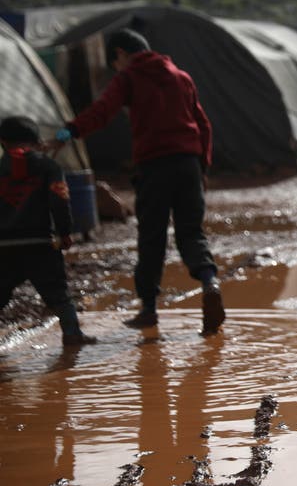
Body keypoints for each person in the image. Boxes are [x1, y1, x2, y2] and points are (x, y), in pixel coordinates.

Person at [54, 28, 224, 335]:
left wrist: (69, 132)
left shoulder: (129, 78)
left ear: (120, 54)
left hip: (154, 167)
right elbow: (203, 125)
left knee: (151, 237)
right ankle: (210, 281)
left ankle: (148, 309)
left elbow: (102, 111)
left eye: (114, 62)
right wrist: (203, 168)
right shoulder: (181, 77)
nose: (115, 69)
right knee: (191, 232)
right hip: (188, 165)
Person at [0, 116, 97, 346]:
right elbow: (60, 201)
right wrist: (65, 233)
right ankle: (73, 334)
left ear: (3, 142)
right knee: (59, 294)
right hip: (41, 243)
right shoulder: (49, 166)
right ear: (36, 141)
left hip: (3, 246)